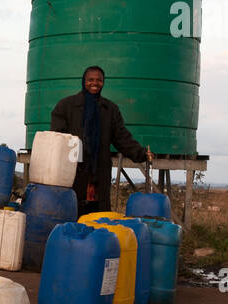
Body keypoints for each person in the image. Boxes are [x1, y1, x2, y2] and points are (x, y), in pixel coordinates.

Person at [50, 65, 153, 214]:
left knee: (97, 214)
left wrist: (141, 153)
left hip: (98, 172)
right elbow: (57, 138)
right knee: (70, 211)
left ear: (103, 82)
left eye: (99, 80)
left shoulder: (109, 109)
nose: (95, 83)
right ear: (84, 81)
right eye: (90, 80)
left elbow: (121, 137)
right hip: (73, 171)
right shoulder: (66, 106)